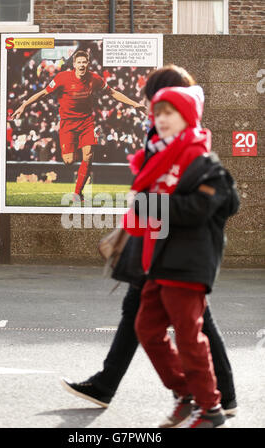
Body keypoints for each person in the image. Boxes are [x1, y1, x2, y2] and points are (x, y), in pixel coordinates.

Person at [60, 65, 237, 419]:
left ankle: (210, 399)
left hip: (175, 248)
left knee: (175, 322)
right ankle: (209, 396)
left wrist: (147, 208)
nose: (149, 106)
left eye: (156, 100)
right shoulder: (160, 135)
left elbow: (206, 200)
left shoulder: (188, 143)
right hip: (159, 243)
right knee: (147, 319)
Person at [121, 84, 239, 428]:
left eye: (169, 113)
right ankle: (187, 394)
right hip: (160, 260)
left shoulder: (203, 162)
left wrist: (147, 204)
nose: (161, 119)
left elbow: (200, 208)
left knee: (189, 337)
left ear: (187, 117)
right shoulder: (156, 159)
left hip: (189, 264)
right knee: (146, 328)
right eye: (157, 113)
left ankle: (210, 408)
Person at [11, 50, 145, 200]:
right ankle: (76, 159)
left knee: (88, 156)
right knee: (69, 161)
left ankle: (77, 193)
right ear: (74, 64)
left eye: (84, 62)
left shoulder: (94, 79)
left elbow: (113, 93)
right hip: (67, 124)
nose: (82, 65)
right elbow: (43, 93)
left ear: (88, 64)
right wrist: (24, 105)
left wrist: (135, 104)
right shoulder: (62, 78)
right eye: (79, 62)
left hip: (86, 122)